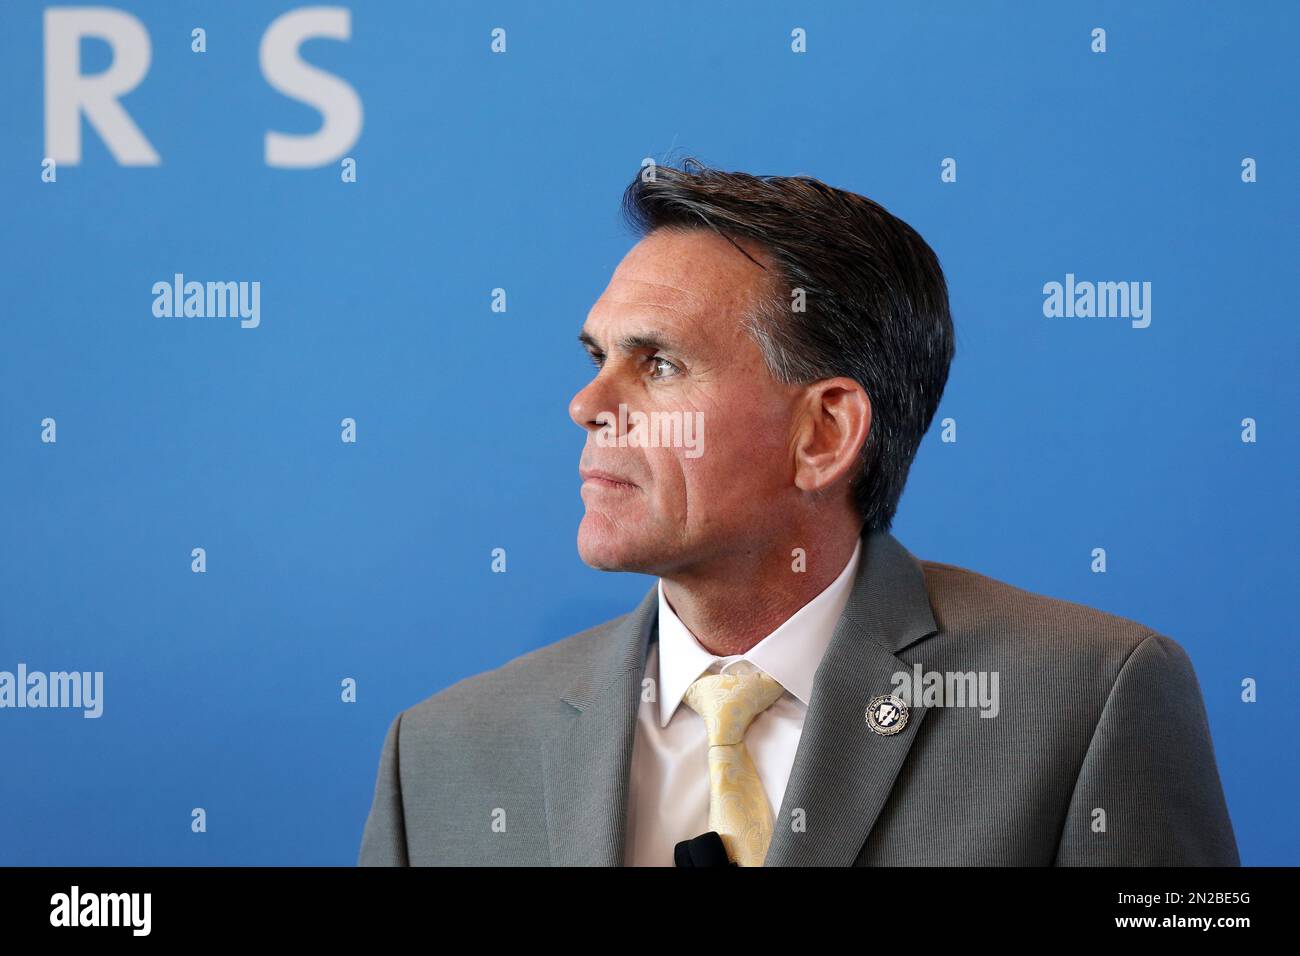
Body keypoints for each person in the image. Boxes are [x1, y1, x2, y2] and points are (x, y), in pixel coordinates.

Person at [358, 159, 1239, 866]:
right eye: (597, 356)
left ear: (823, 433)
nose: (588, 404)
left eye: (657, 365)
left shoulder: (1091, 698)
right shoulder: (441, 754)